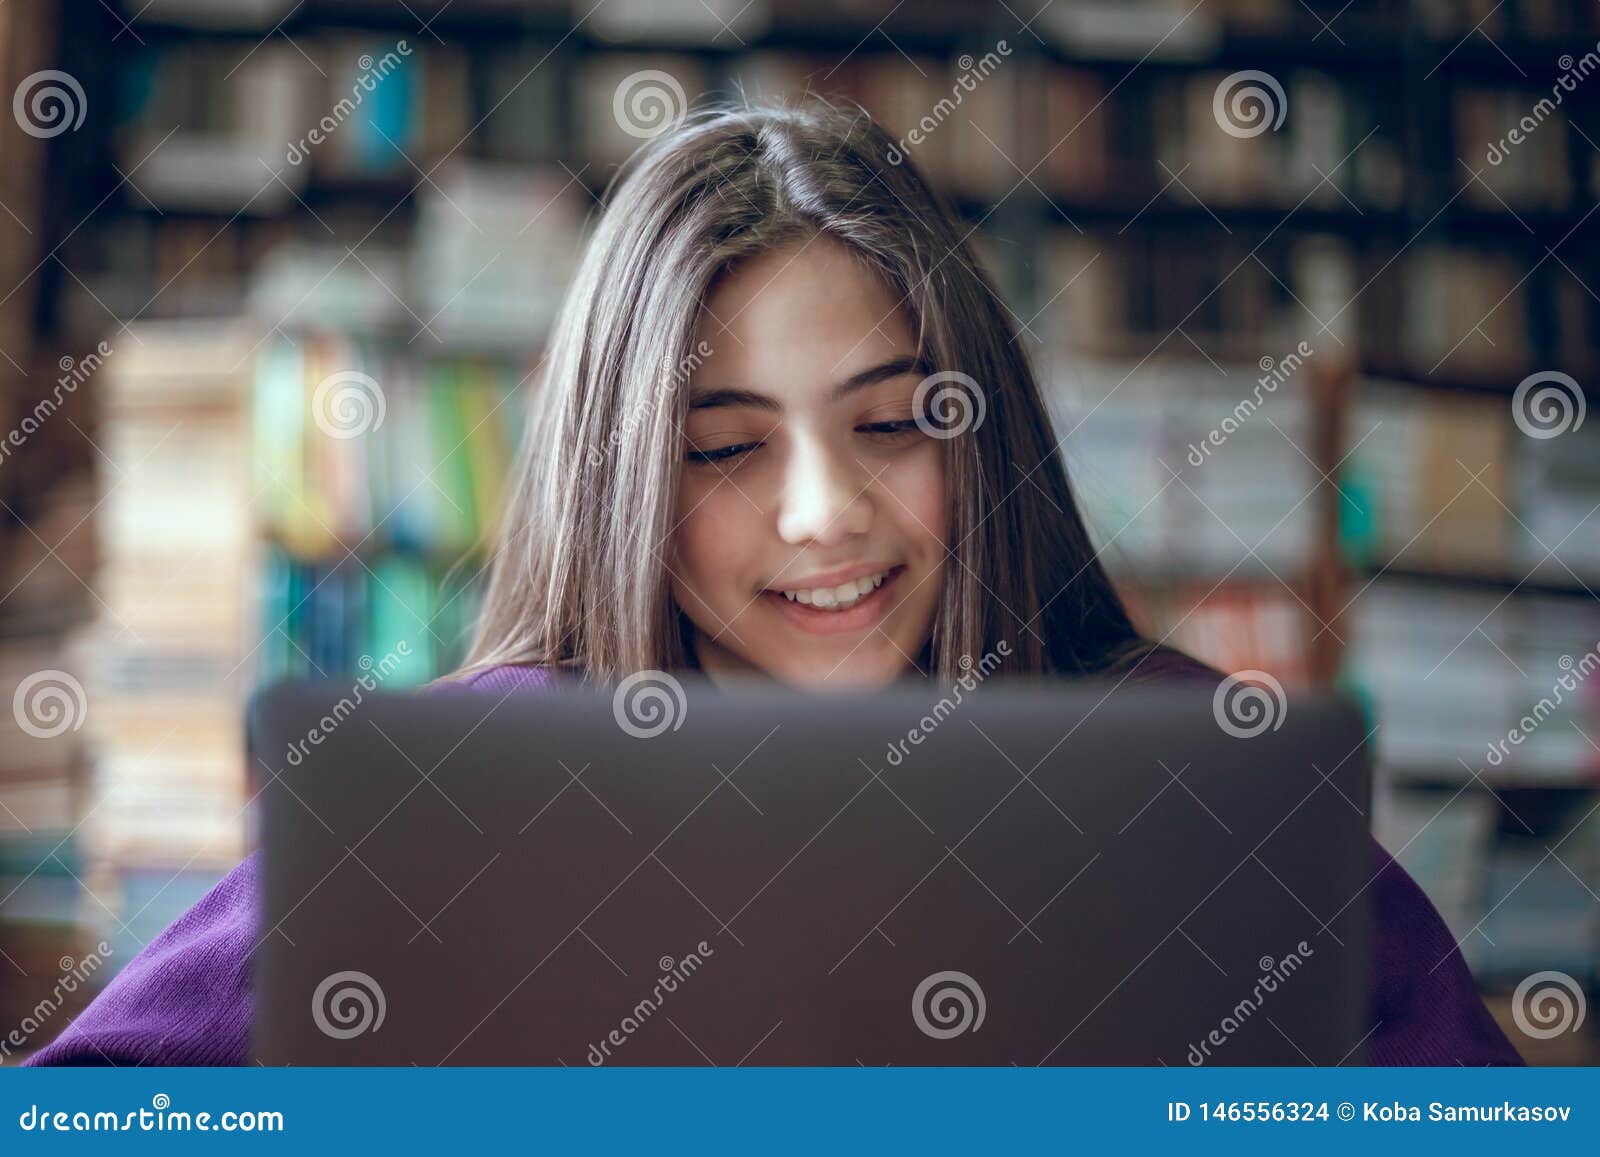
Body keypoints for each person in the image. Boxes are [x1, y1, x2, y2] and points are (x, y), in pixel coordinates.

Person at [27, 100, 1519, 1066]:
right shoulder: (472, 794)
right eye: (726, 449)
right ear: (628, 484)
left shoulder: (1194, 780)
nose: (823, 514)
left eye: (894, 424)